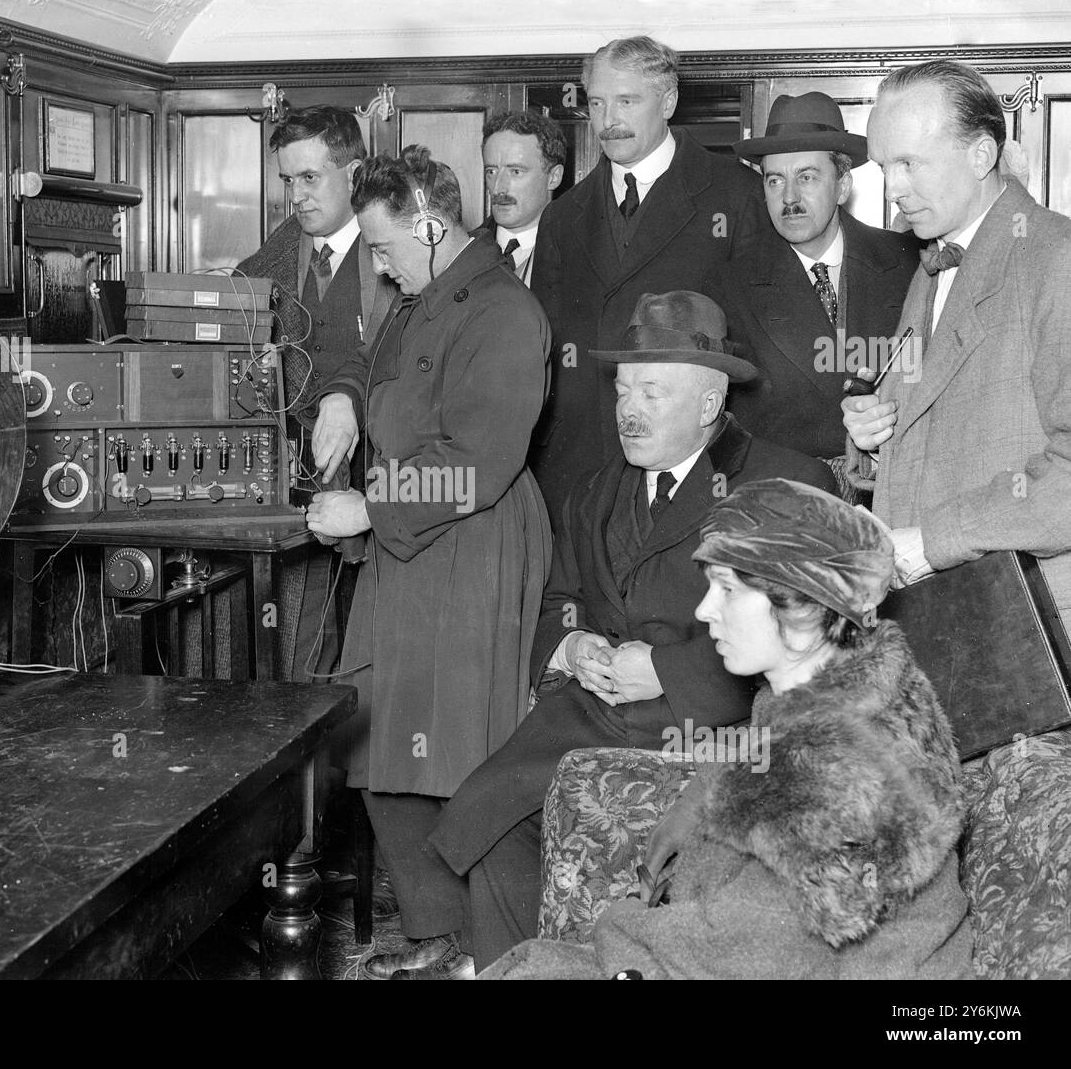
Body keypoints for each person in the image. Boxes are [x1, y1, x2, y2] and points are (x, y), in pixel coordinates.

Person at [417, 291, 837, 976]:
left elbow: (806, 634)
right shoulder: (595, 489)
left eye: (652, 391)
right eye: (622, 388)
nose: (628, 409)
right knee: (489, 814)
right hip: (589, 712)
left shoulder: (784, 481)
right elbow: (559, 599)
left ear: (709, 403)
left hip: (710, 723)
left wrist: (666, 671)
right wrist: (572, 645)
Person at [481, 478, 974, 980]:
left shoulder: (832, 773)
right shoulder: (839, 697)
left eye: (729, 590)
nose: (704, 610)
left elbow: (740, 958)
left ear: (803, 601)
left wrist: (620, 922)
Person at [305, 145, 553, 981]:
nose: (377, 265)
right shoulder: (420, 298)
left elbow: (478, 456)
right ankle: (438, 933)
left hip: (472, 544)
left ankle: (500, 952)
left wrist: (371, 508)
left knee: (464, 758)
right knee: (380, 749)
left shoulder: (505, 312)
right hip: (408, 546)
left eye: (384, 247)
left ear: (432, 224)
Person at [842, 59, 1071, 632]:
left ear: (981, 155)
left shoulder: (1056, 259)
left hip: (1033, 627)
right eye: (883, 166)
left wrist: (934, 541)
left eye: (909, 163)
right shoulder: (931, 267)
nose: (892, 189)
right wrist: (873, 441)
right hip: (943, 616)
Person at [530, 34, 768, 522]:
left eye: (627, 101)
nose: (608, 120)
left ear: (669, 101)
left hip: (694, 469)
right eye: (596, 103)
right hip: (580, 475)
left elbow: (756, 345)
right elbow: (544, 354)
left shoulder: (736, 194)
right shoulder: (562, 216)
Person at [237, 106, 396, 681]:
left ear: (353, 175)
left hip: (385, 483)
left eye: (310, 178)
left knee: (376, 656)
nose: (296, 196)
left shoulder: (401, 252)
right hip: (290, 489)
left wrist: (346, 397)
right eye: (287, 180)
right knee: (299, 653)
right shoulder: (267, 261)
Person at [704, 92, 919, 474]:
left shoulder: (907, 264)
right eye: (774, 181)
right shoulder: (728, 285)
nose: (789, 197)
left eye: (806, 177)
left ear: (842, 186)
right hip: (783, 504)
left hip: (892, 494)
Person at [477, 111, 566, 285]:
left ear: (554, 177)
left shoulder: (578, 256)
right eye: (491, 172)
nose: (498, 188)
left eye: (516, 172)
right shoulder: (462, 253)